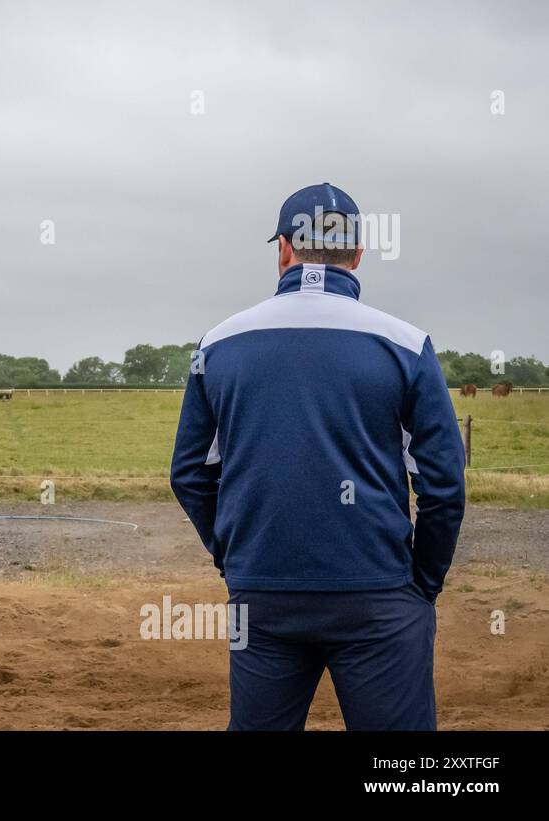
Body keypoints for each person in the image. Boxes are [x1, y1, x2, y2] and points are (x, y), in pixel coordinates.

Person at [170, 183, 466, 730]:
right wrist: (422, 583)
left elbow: (190, 474)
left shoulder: (218, 343)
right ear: (357, 255)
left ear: (284, 249)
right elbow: (444, 484)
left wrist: (235, 559)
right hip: (379, 592)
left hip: (262, 593)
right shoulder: (406, 344)